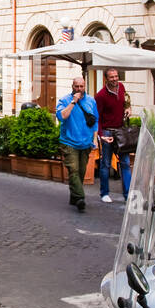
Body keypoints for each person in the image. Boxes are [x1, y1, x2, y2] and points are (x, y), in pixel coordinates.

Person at [56, 76, 98, 212]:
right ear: (72, 86)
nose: (79, 89)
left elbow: (95, 121)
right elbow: (62, 116)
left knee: (80, 173)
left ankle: (74, 197)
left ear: (84, 86)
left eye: (81, 86)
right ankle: (80, 198)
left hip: (85, 143)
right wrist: (73, 102)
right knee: (73, 170)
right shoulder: (64, 100)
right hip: (69, 142)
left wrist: (95, 139)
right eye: (76, 86)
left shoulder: (91, 101)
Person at [95, 67, 131, 203]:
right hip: (107, 132)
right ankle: (104, 193)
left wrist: (128, 108)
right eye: (112, 77)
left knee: (125, 163)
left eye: (116, 76)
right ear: (106, 79)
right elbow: (96, 117)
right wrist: (100, 135)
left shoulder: (121, 87)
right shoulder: (100, 96)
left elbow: (126, 100)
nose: (115, 79)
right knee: (105, 164)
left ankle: (127, 195)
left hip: (121, 131)